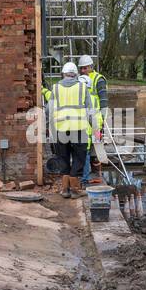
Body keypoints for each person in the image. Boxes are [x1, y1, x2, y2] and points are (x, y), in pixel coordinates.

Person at [45, 61, 95, 199]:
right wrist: (94, 126)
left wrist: (49, 127)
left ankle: (65, 189)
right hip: (79, 129)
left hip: (61, 129)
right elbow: (90, 111)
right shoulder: (82, 88)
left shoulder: (55, 88)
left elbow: (49, 110)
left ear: (63, 74)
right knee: (80, 158)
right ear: (76, 74)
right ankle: (74, 189)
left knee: (63, 158)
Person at [77, 54, 107, 183]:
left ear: (91, 67)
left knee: (98, 148)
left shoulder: (98, 79)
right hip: (83, 121)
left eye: (85, 68)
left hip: (96, 120)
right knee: (86, 148)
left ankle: (99, 174)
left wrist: (104, 121)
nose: (83, 70)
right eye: (81, 68)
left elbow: (104, 101)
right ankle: (86, 174)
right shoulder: (80, 79)